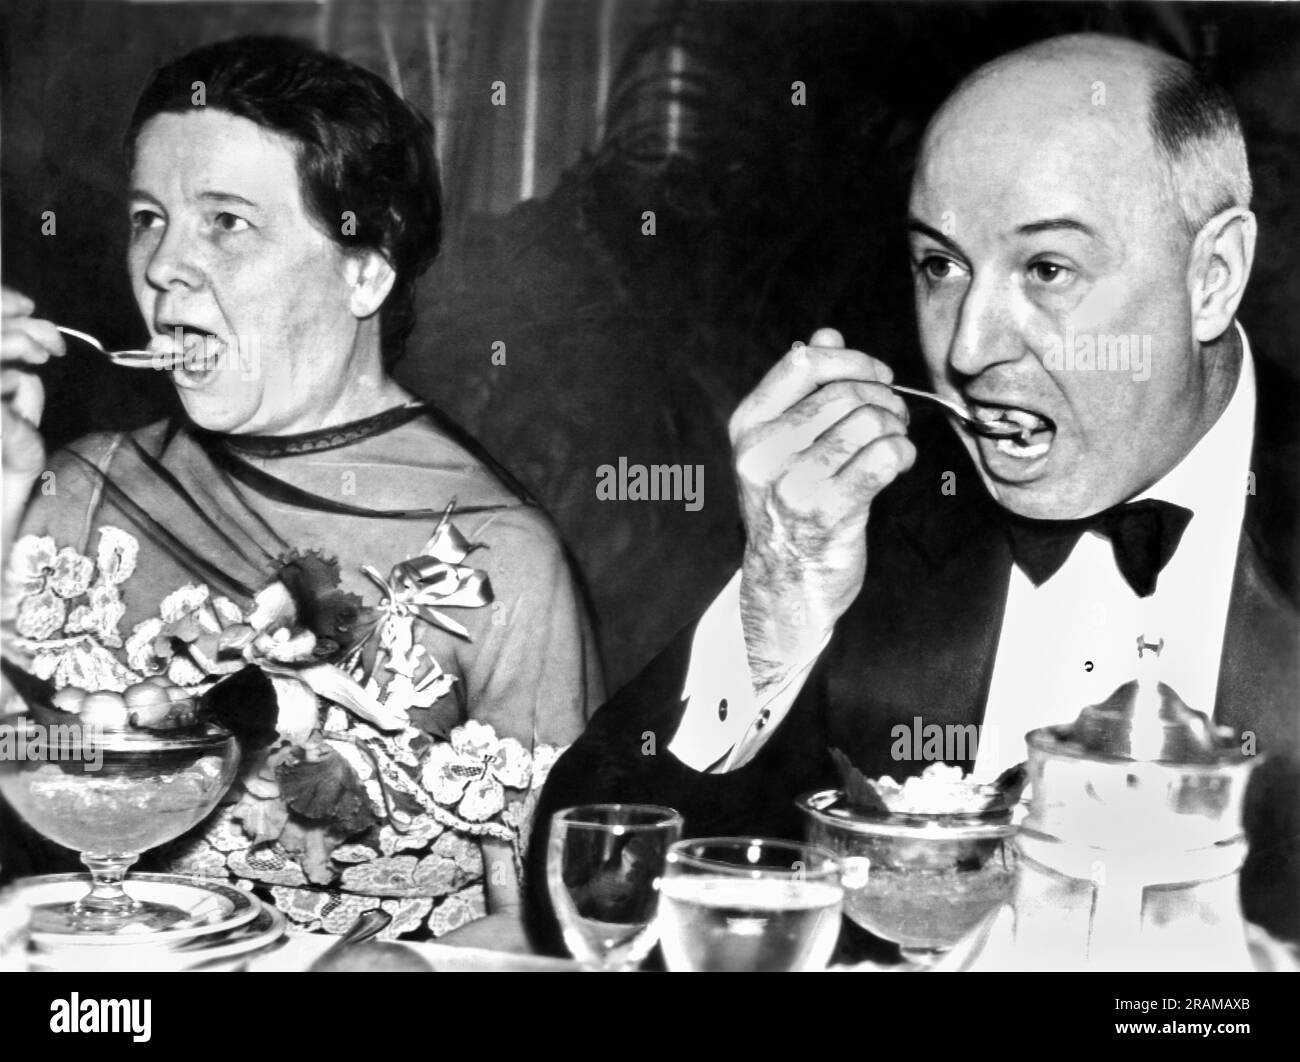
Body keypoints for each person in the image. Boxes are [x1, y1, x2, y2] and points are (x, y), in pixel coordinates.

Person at [528, 32, 1300, 952]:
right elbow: (586, 901)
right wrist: (777, 612)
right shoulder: (876, 512)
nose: (970, 349)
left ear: (1211, 277)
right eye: (942, 265)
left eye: (1047, 269)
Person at [0, 36, 603, 950]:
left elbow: (560, 930)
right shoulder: (72, 491)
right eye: (148, 218)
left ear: (365, 267)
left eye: (227, 222)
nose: (164, 266)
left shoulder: (497, 561)